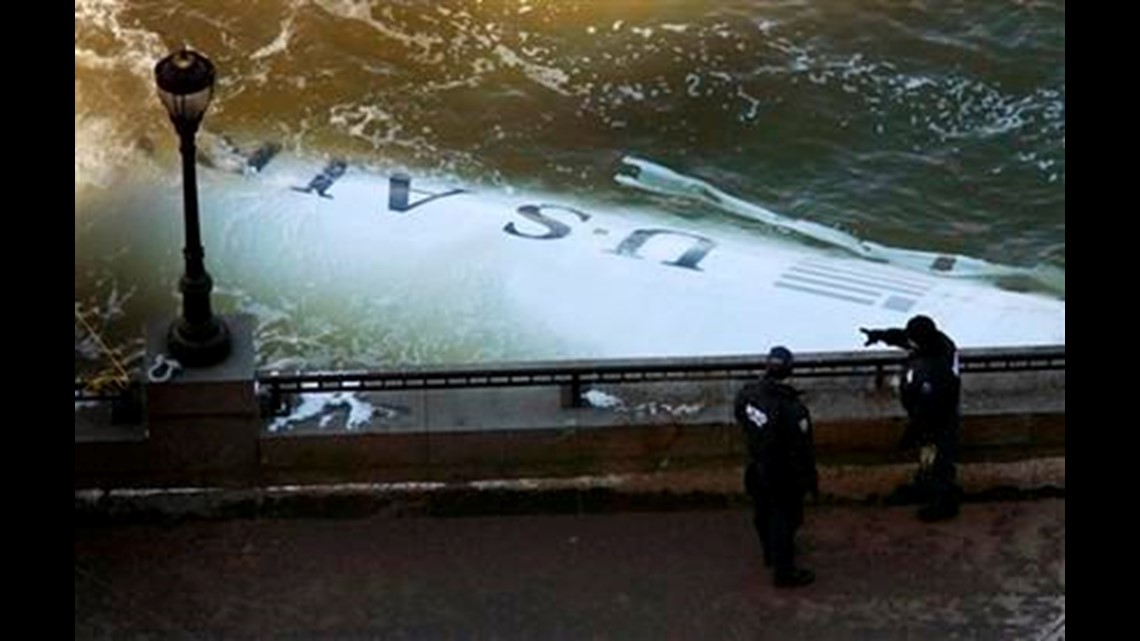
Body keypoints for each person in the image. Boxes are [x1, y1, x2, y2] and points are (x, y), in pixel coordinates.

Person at [860, 315, 962, 522]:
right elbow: (905, 338)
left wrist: (911, 433)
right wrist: (880, 335)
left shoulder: (935, 369)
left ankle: (944, 502)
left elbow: (929, 408)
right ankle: (924, 486)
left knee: (940, 459)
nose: (909, 343)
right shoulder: (938, 342)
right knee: (928, 456)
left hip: (937, 419)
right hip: (932, 414)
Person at [734, 346, 819, 588]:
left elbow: (742, 418)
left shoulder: (747, 395)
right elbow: (803, 447)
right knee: (786, 519)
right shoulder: (793, 409)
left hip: (758, 466)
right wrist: (810, 479)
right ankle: (784, 571)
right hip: (783, 472)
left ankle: (770, 553)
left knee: (762, 512)